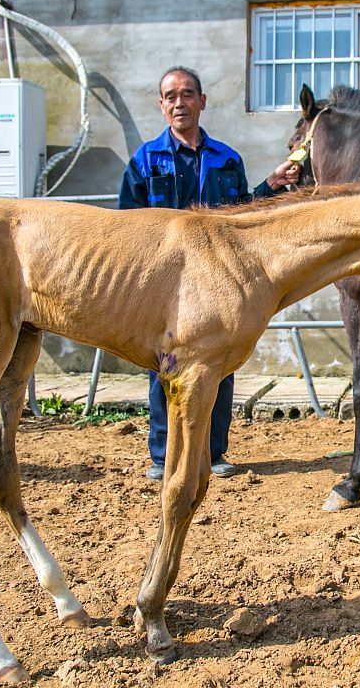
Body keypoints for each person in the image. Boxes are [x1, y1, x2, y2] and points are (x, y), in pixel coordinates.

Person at [120, 66, 301, 482]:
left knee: (218, 363)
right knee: (164, 364)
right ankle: (163, 455)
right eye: (170, 96)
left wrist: (269, 186)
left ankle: (214, 452)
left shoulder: (226, 158)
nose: (179, 102)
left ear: (202, 102)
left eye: (187, 94)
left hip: (216, 284)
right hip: (163, 282)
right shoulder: (145, 160)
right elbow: (125, 224)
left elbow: (242, 218)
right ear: (162, 104)